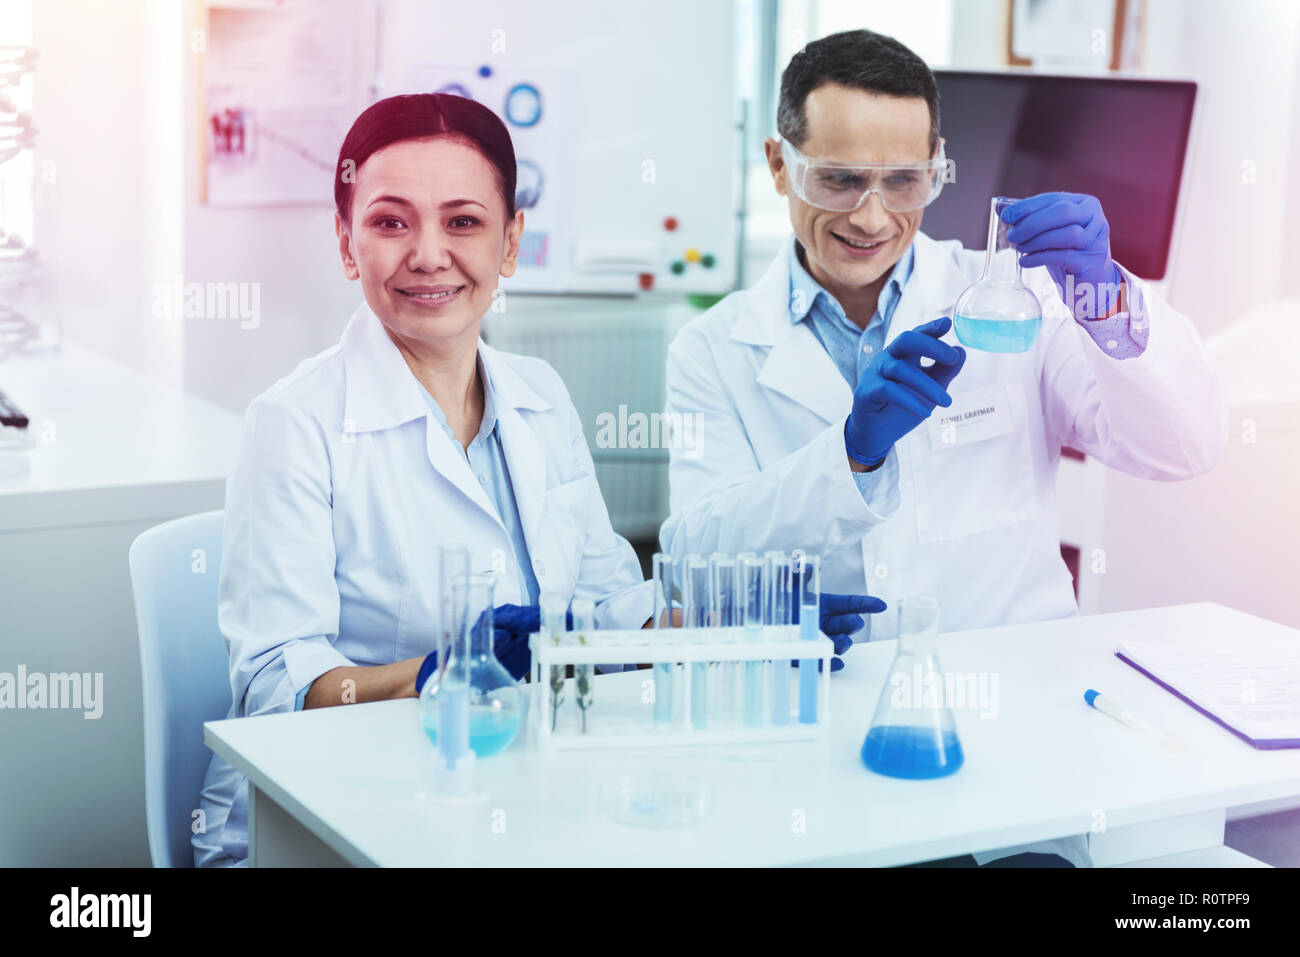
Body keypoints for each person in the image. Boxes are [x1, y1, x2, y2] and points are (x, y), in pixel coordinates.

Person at [659, 30, 1227, 866]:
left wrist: (1108, 301)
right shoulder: (710, 350)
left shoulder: (1014, 303)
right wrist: (849, 456)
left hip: (1012, 730)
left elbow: (1181, 446)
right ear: (780, 165)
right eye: (839, 179)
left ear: (938, 166)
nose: (873, 215)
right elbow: (691, 559)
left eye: (905, 181)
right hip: (818, 735)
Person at [193, 93, 661, 866]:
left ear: (511, 242)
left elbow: (605, 601)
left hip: (505, 784)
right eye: (390, 221)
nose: (429, 253)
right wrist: (435, 675)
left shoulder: (541, 393)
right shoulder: (294, 423)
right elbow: (273, 684)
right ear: (347, 245)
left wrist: (747, 628)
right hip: (319, 815)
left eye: (465, 221)